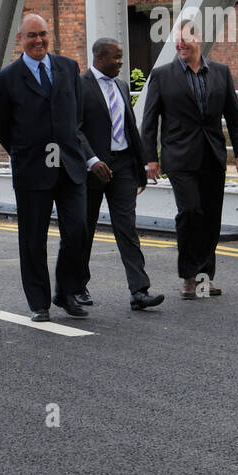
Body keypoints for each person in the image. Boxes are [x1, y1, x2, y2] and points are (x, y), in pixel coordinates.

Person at [0, 14, 97, 322]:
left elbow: (75, 116)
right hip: (33, 168)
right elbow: (0, 125)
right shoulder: (4, 79)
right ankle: (39, 302)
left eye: (43, 34)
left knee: (77, 231)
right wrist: (23, 152)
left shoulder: (68, 67)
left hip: (70, 166)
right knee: (33, 239)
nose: (39, 40)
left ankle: (65, 291)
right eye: (32, 35)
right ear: (20, 40)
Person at [141, 21, 238, 298]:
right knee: (190, 212)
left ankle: (203, 278)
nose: (180, 45)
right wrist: (150, 159)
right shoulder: (162, 75)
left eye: (185, 40)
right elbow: (150, 120)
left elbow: (235, 120)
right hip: (179, 157)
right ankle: (188, 276)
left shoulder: (221, 73)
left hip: (212, 156)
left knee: (211, 218)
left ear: (198, 40)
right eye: (176, 41)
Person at [79, 38, 164, 312]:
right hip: (93, 170)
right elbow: (74, 129)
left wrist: (141, 168)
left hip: (124, 166)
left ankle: (139, 290)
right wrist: (92, 160)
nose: (121, 62)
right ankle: (77, 286)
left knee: (127, 229)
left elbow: (130, 127)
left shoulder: (121, 85)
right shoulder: (80, 86)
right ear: (100, 56)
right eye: (116, 57)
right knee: (84, 229)